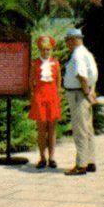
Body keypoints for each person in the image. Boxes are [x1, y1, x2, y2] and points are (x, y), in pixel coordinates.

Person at [61, 27, 98, 175]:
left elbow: (82, 76)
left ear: (74, 40)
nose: (66, 43)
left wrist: (86, 93)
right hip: (84, 92)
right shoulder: (86, 53)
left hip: (78, 94)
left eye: (68, 40)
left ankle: (81, 165)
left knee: (80, 130)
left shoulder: (77, 55)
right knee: (88, 129)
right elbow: (93, 75)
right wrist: (91, 91)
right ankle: (90, 161)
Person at [27, 35, 61, 169]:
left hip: (52, 98)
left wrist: (56, 95)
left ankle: (52, 158)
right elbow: (31, 82)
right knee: (41, 130)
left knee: (52, 129)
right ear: (39, 50)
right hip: (40, 98)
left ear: (51, 50)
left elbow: (58, 81)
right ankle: (42, 158)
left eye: (48, 49)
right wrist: (34, 95)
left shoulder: (56, 63)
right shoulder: (34, 64)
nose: (45, 52)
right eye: (43, 49)